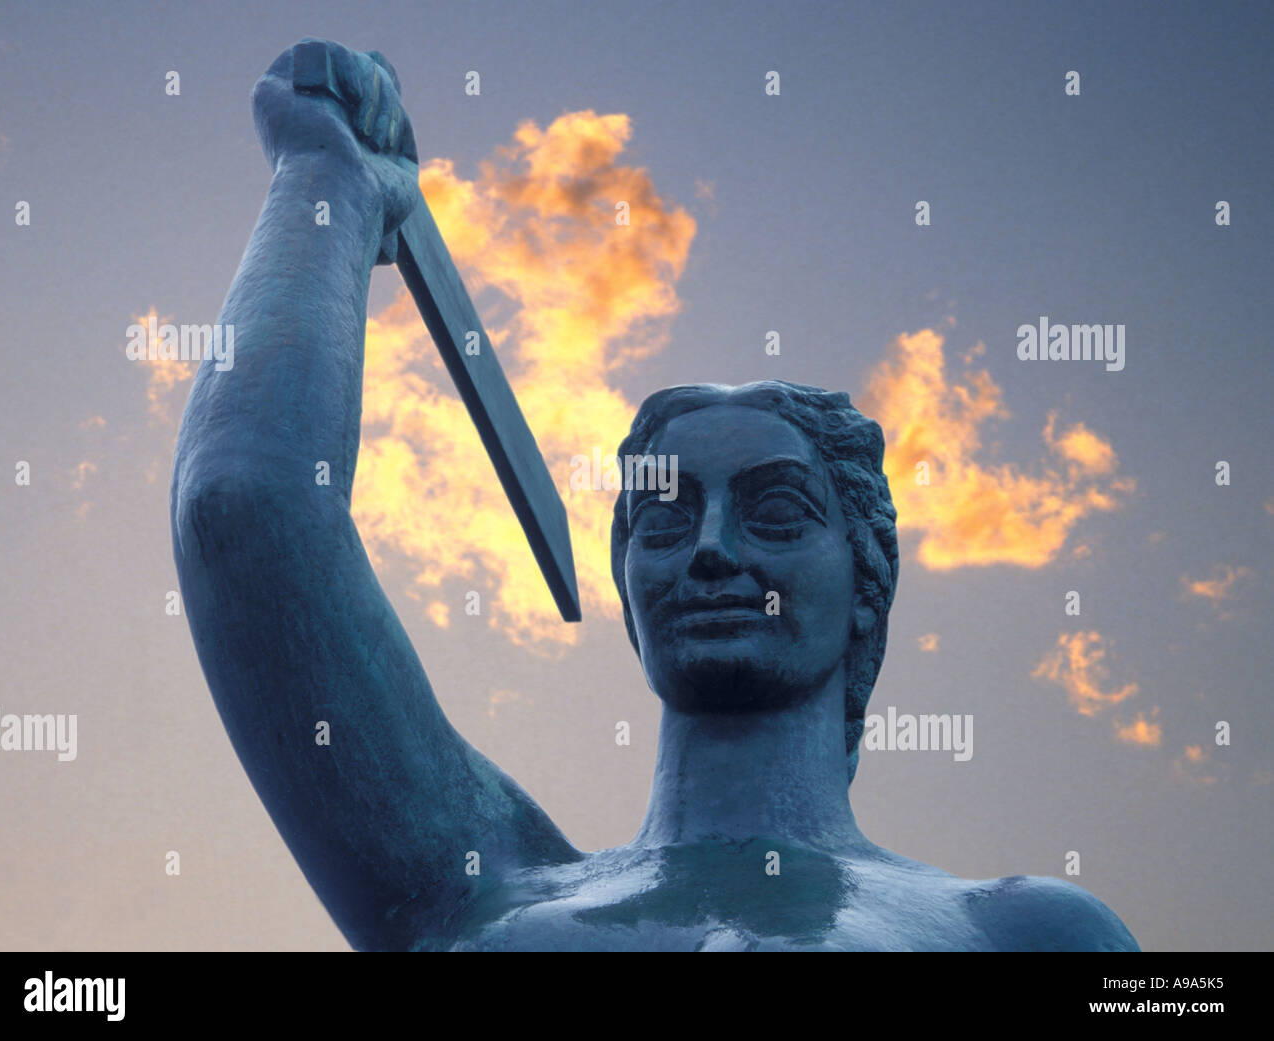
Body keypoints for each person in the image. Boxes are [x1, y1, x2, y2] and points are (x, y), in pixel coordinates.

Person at [171, 39, 1139, 952]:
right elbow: (244, 508)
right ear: (627, 580)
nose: (710, 549)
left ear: (867, 587)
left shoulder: (1019, 931)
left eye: (775, 512)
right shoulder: (476, 884)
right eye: (666, 517)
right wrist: (327, 186)